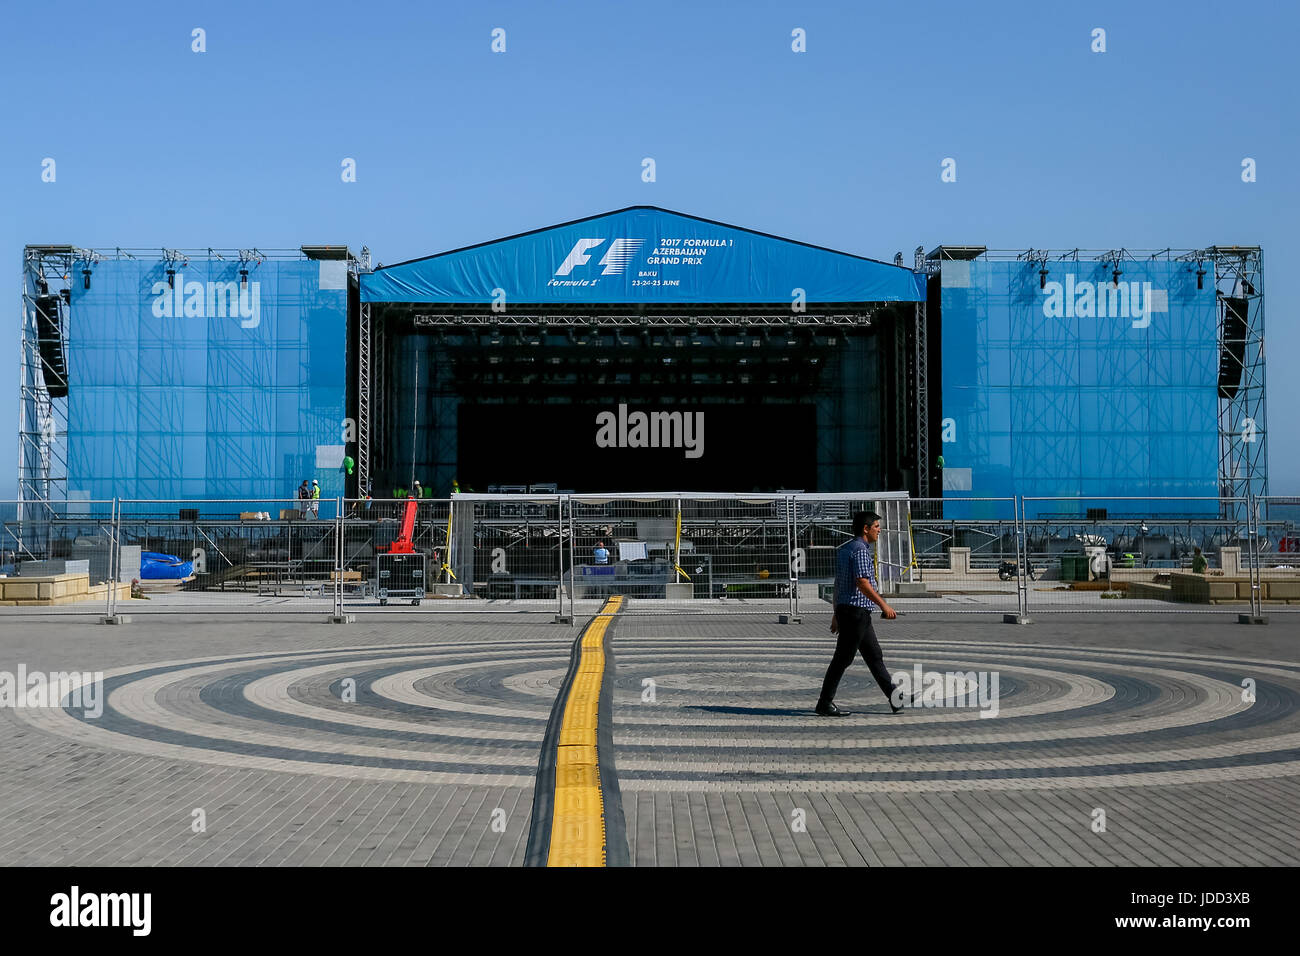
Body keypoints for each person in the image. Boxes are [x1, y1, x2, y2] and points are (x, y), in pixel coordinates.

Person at [815, 511, 912, 717]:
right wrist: (884, 605)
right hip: (855, 613)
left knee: (874, 656)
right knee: (842, 658)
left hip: (852, 612)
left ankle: (895, 698)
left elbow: (839, 584)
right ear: (865, 529)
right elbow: (862, 582)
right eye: (876, 526)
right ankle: (824, 702)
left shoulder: (845, 549)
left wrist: (836, 613)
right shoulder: (860, 550)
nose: (879, 530)